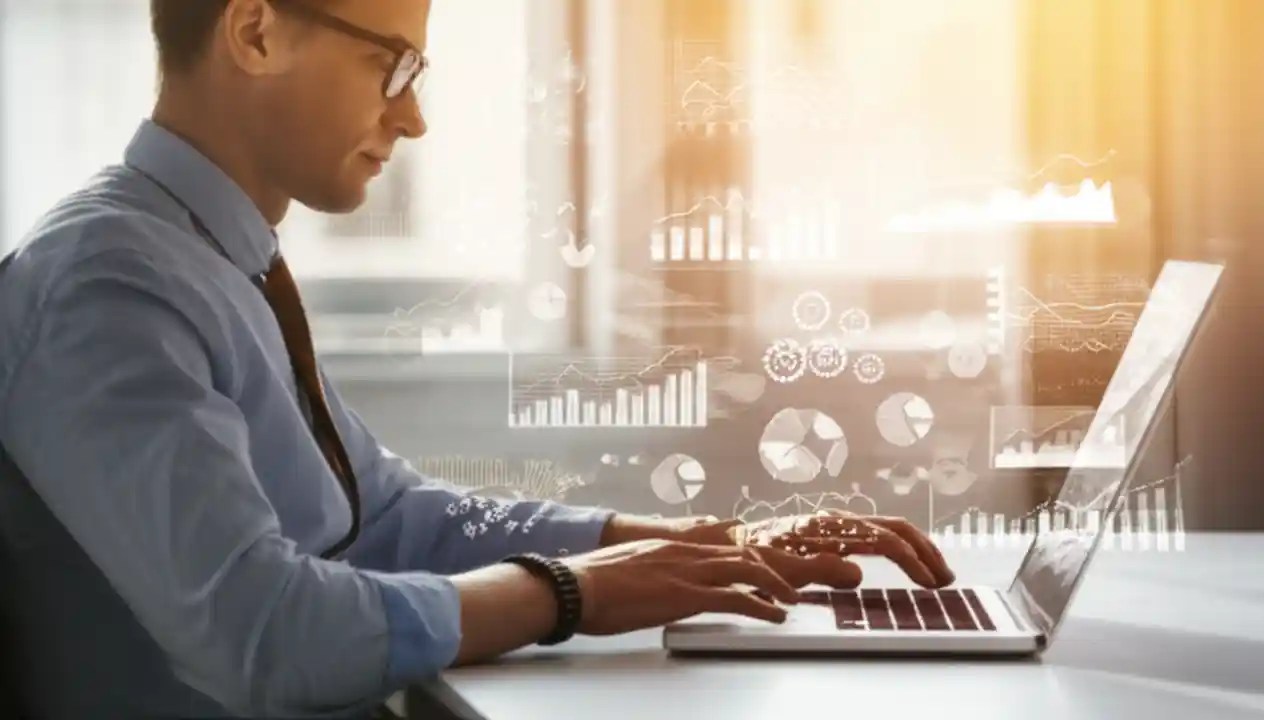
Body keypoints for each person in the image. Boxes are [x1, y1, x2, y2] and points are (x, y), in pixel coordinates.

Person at [0, 1, 954, 718]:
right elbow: (261, 632)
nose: (413, 119)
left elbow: (390, 515)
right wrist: (572, 594)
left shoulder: (207, 257)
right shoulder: (109, 287)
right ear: (254, 31)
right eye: (394, 66)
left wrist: (695, 543)